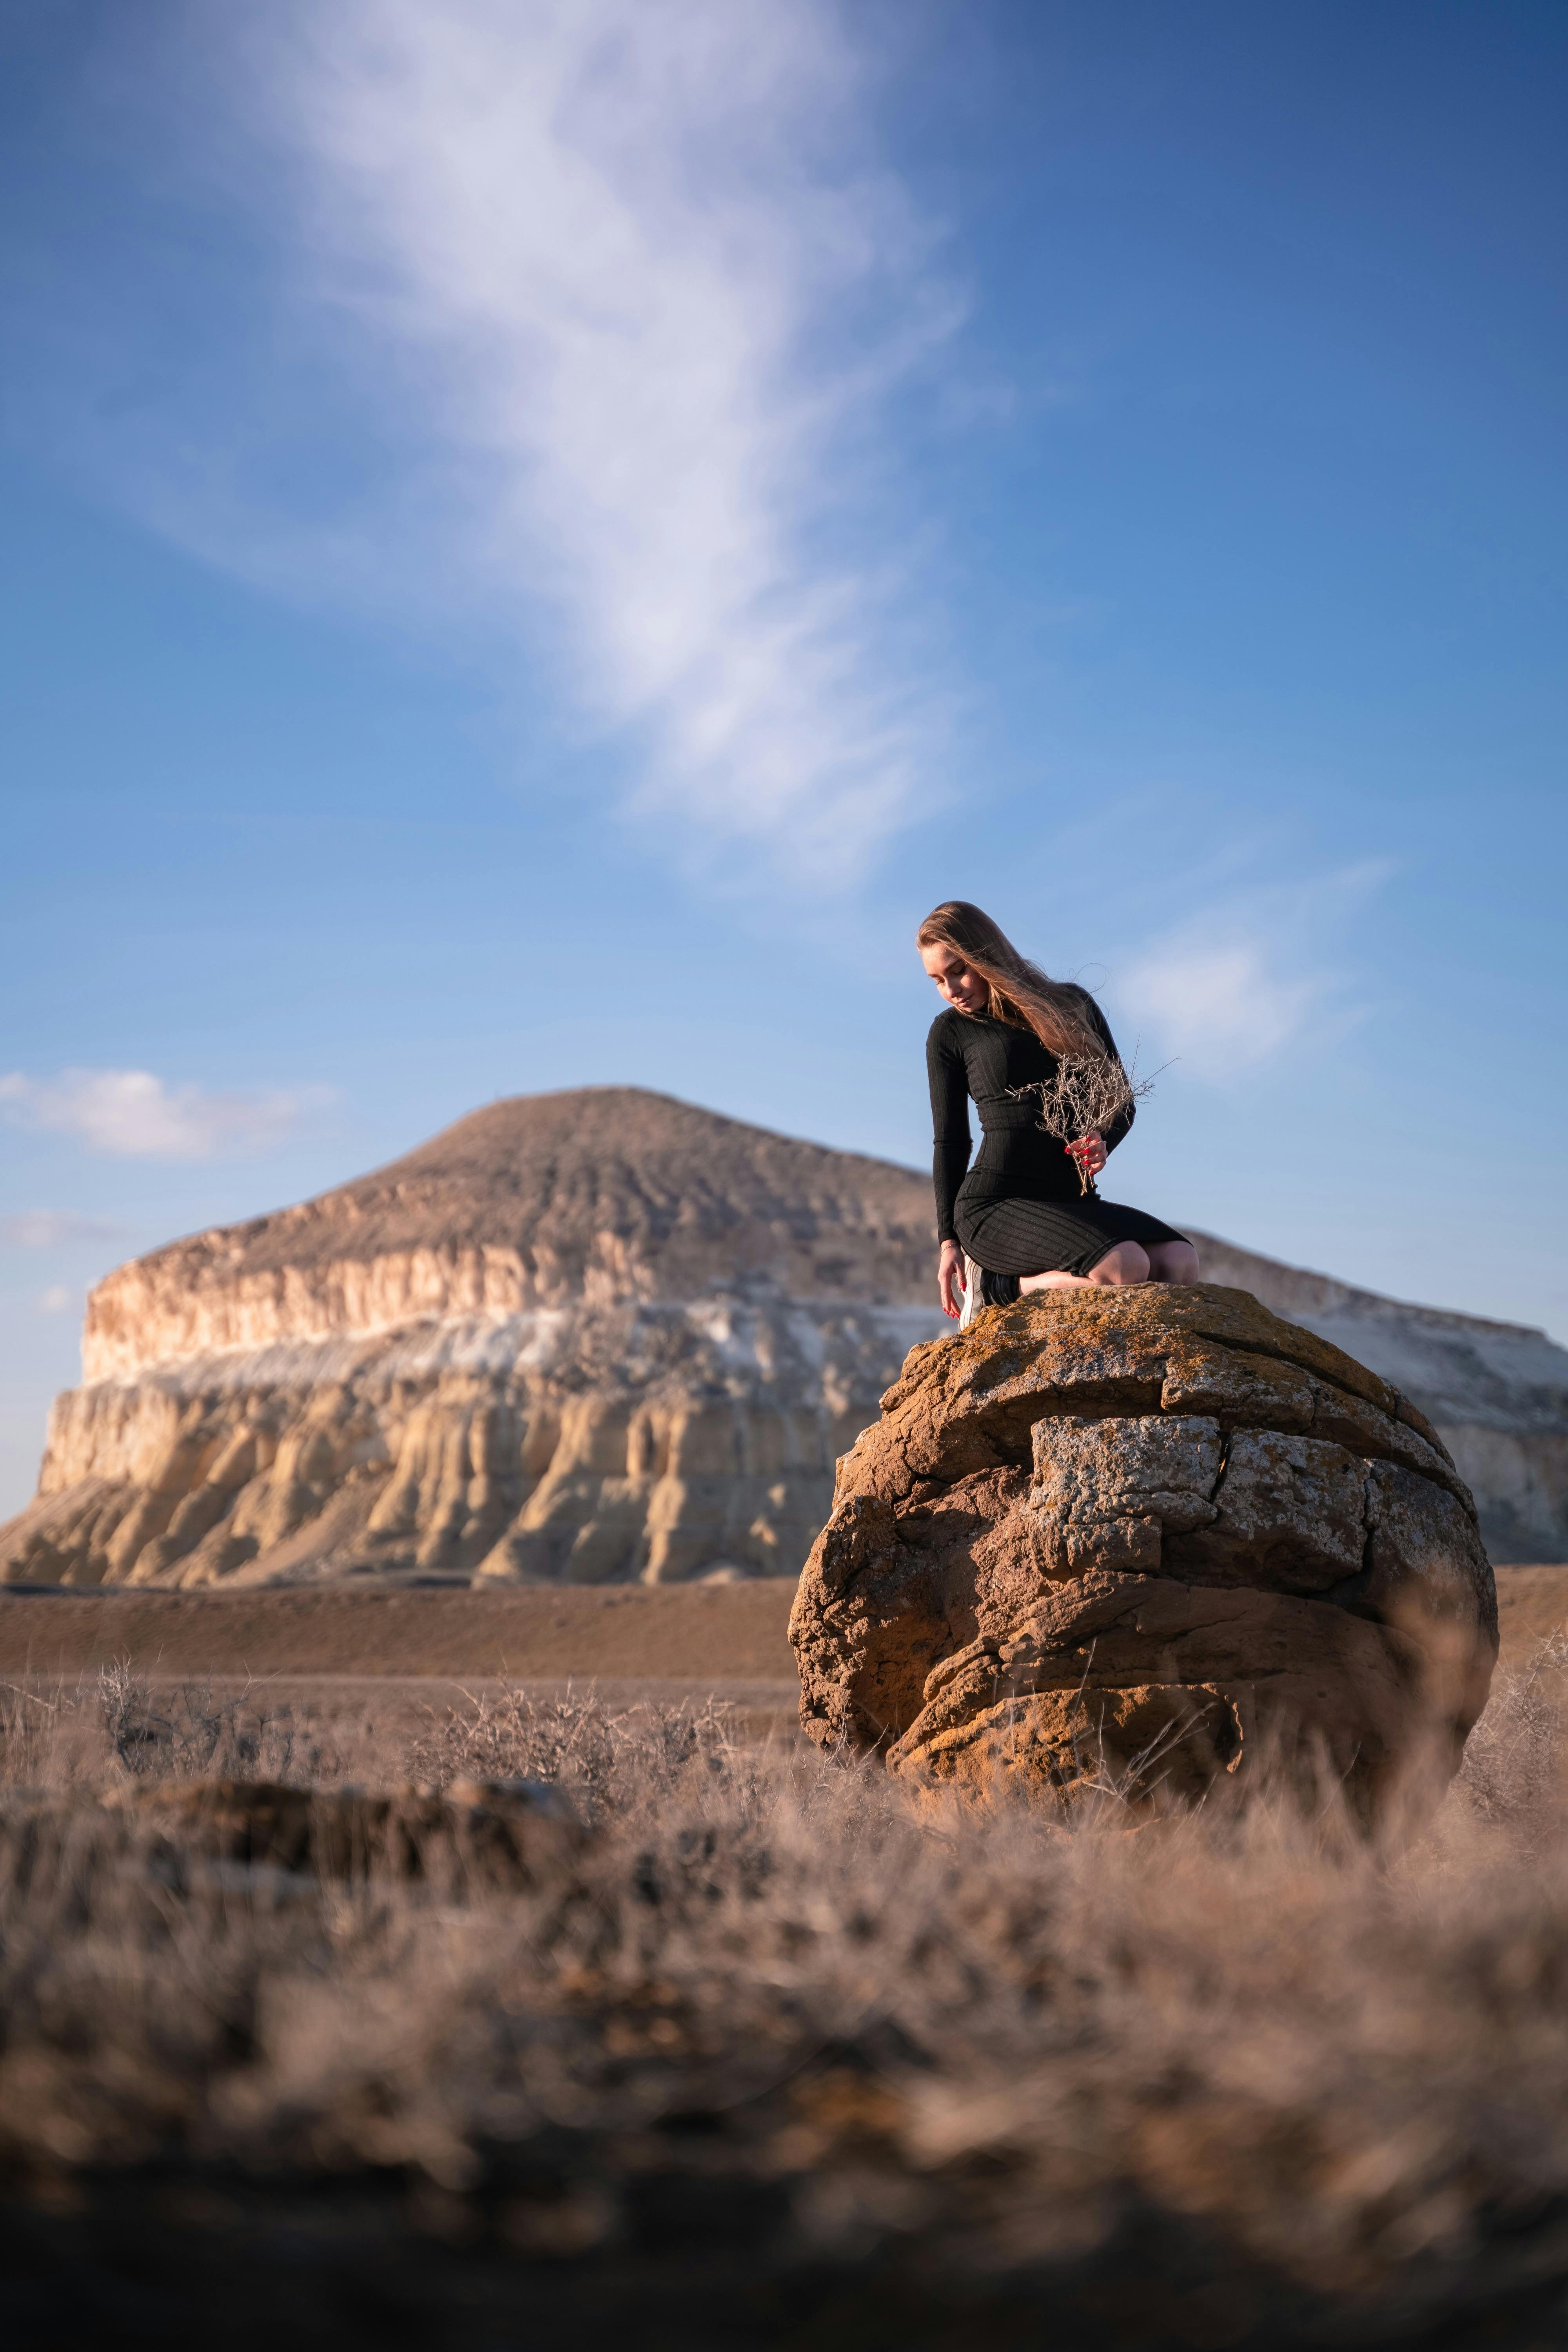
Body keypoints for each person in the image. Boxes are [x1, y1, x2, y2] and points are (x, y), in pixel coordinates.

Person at [919, 899, 1199, 1324]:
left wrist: (1103, 1140)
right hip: (995, 1204)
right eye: (937, 979)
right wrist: (948, 1242)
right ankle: (997, 1286)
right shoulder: (950, 1032)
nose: (951, 990)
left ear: (986, 955)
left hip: (1069, 1198)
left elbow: (1119, 1100)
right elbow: (951, 1141)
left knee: (1180, 1262)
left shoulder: (1069, 1004)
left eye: (957, 970)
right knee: (1126, 1268)